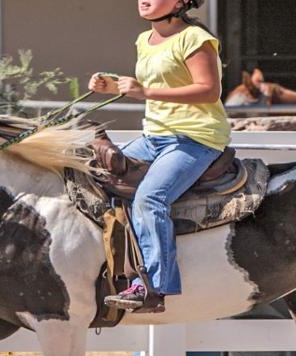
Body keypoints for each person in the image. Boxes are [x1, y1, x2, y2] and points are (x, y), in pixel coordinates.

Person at [89, 0, 231, 313]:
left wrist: (145, 92)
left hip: (196, 138)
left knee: (149, 199)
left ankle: (154, 287)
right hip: (154, 138)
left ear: (181, 2)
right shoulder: (144, 40)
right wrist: (112, 85)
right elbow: (155, 85)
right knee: (96, 175)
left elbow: (208, 90)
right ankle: (115, 270)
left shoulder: (195, 39)